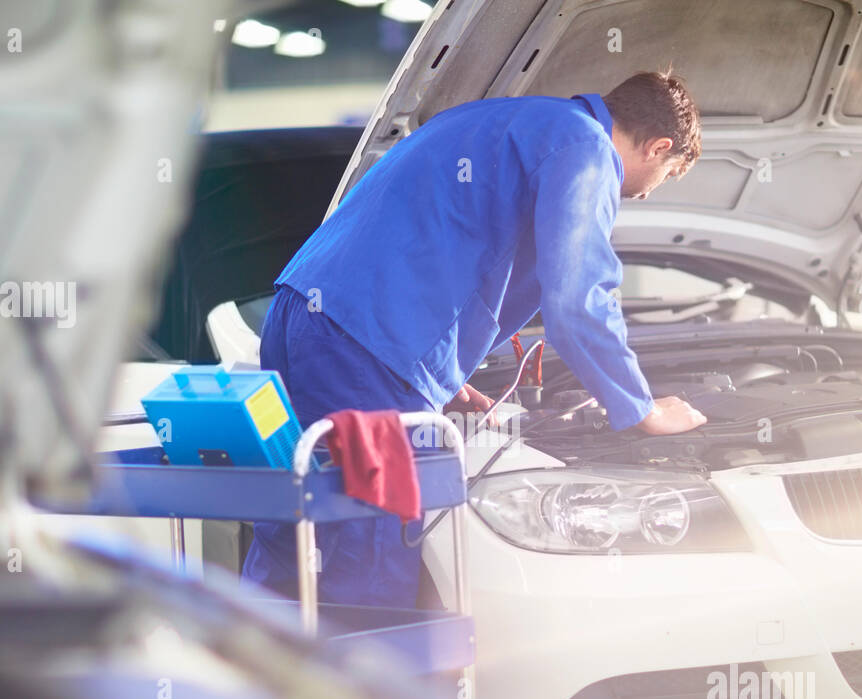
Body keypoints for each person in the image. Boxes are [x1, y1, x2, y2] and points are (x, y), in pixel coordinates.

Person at [243, 70, 707, 608]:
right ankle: (366, 685)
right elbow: (580, 300)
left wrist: (436, 371)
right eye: (667, 174)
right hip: (365, 344)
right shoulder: (585, 147)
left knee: (296, 519)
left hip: (303, 313)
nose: (648, 193)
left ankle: (251, 672)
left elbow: (427, 236)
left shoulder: (495, 119)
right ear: (660, 146)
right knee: (371, 536)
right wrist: (641, 408)